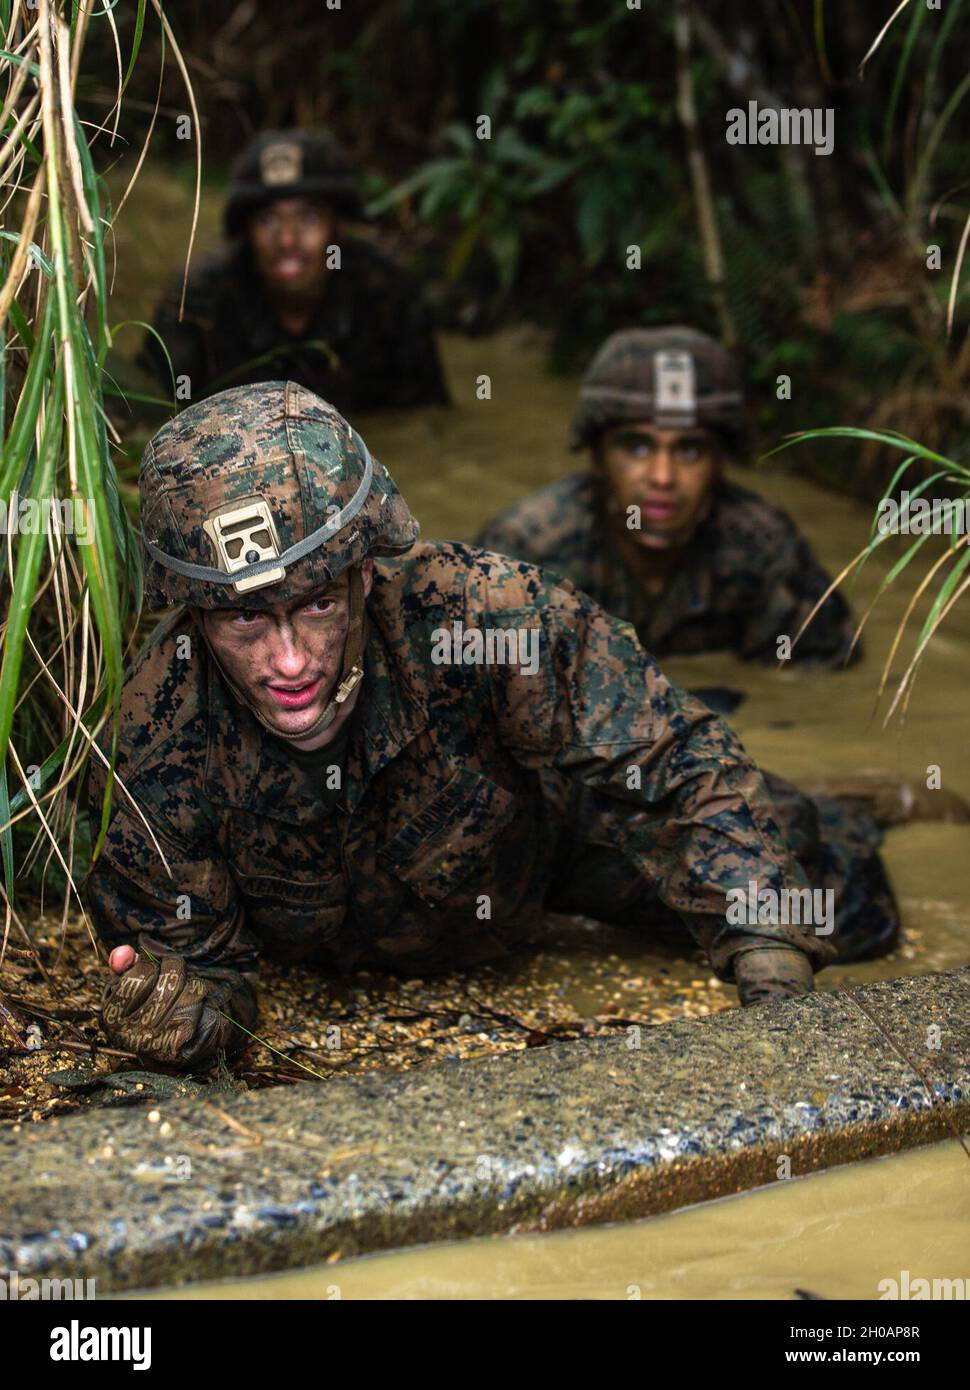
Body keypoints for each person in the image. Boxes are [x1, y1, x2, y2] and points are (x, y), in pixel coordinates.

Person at [87, 382, 898, 1073]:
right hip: (354, 935)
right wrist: (182, 1019)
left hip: (543, 852)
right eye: (244, 624)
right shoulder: (159, 731)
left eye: (318, 605)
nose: (290, 661)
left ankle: (868, 806)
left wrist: (778, 1006)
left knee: (813, 878)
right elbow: (207, 970)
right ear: (196, 614)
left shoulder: (481, 613)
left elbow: (677, 760)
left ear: (365, 573)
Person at [478, 326, 856, 666]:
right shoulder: (525, 554)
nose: (663, 477)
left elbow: (820, 677)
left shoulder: (763, 546)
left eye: (690, 451)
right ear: (598, 459)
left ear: (720, 464)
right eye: (637, 448)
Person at [139, 130, 450, 414]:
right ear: (246, 231)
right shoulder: (194, 302)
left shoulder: (388, 294)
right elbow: (149, 417)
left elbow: (426, 424)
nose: (287, 240)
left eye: (309, 219)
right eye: (268, 221)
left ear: (336, 227)